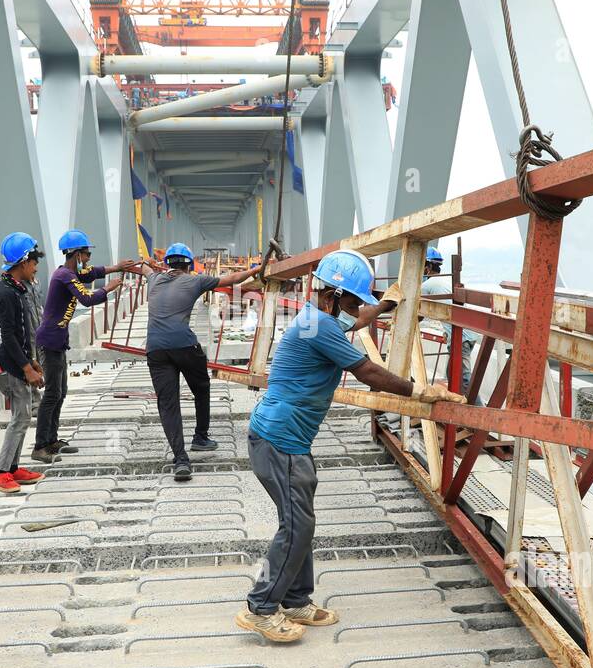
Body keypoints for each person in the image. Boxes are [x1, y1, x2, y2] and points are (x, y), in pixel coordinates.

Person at [235, 249, 465, 643]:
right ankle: (261, 607)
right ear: (332, 296)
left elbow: (353, 322)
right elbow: (369, 372)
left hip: (283, 438)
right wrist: (420, 391)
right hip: (280, 441)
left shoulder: (314, 320)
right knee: (297, 526)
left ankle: (295, 599)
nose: (358, 308)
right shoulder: (321, 327)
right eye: (354, 299)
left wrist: (387, 303)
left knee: (300, 522)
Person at [139, 242, 263, 481]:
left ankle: (180, 460)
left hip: (155, 348)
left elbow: (144, 268)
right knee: (201, 387)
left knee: (168, 404)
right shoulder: (195, 281)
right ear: (188, 265)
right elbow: (232, 279)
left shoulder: (153, 280)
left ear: (167, 265)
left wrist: (147, 265)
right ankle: (201, 437)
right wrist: (254, 271)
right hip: (184, 345)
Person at [31, 229, 136, 464]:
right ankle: (40, 446)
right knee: (52, 394)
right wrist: (109, 288)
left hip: (58, 340)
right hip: (50, 341)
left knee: (61, 392)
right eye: (86, 253)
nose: (88, 258)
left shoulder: (72, 272)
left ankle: (52, 440)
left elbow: (93, 273)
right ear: (76, 254)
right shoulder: (64, 276)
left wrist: (116, 267)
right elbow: (87, 299)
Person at [0, 232, 48, 494]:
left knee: (23, 417)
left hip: (21, 362)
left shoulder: (17, 289)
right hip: (11, 366)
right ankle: (1, 472)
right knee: (20, 418)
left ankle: (13, 468)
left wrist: (33, 361)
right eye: (34, 262)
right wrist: (26, 368)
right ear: (23, 262)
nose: (35, 267)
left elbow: (24, 333)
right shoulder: (5, 294)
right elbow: (9, 336)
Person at [422, 246, 481, 397]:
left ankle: (478, 412)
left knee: (462, 378)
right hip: (467, 333)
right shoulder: (444, 282)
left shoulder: (427, 285)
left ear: (427, 267)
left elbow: (417, 313)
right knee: (453, 374)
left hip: (461, 337)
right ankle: (464, 408)